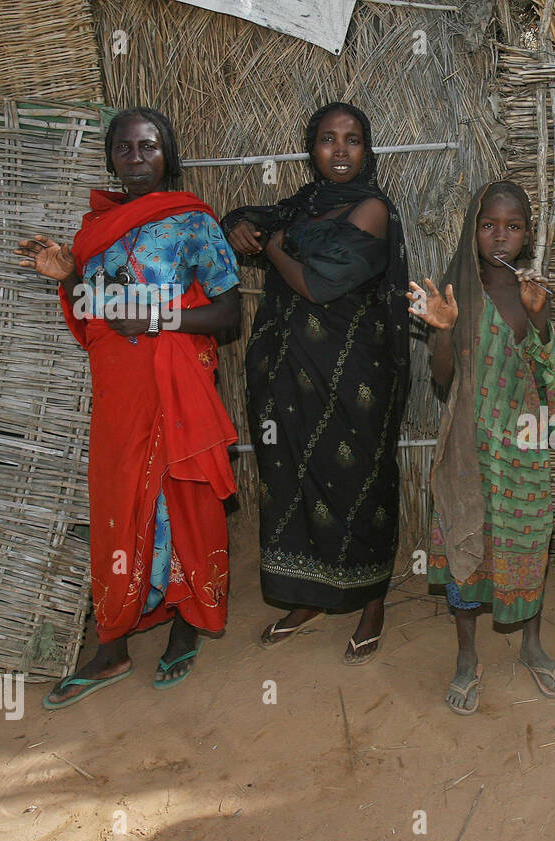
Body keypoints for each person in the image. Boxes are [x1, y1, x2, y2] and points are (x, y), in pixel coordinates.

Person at [17, 106, 241, 707]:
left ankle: (187, 622)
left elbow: (229, 312)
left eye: (148, 146)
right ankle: (111, 646)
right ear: (112, 157)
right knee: (119, 501)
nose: (137, 157)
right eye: (125, 148)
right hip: (118, 391)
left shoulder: (192, 222)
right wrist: (67, 278)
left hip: (175, 388)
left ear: (167, 153)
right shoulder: (96, 229)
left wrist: (160, 317)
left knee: (181, 497)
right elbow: (94, 314)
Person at [222, 103, 410, 665]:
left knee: (361, 482)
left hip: (354, 379)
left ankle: (371, 598)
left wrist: (274, 245)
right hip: (288, 374)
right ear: (312, 149)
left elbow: (320, 284)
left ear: (367, 149)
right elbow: (247, 218)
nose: (340, 150)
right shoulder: (303, 204)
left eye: (352, 139)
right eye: (328, 139)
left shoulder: (372, 209)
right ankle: (309, 597)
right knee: (293, 483)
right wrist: (239, 222)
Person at [409, 181, 555, 715]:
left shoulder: (533, 292)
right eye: (489, 225)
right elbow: (441, 378)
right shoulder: (457, 290)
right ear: (472, 229)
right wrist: (442, 332)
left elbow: (549, 376)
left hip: (522, 447)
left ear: (528, 233)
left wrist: (540, 320)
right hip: (469, 447)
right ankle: (465, 657)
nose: (501, 236)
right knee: (465, 542)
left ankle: (532, 646)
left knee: (527, 546)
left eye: (514, 226)